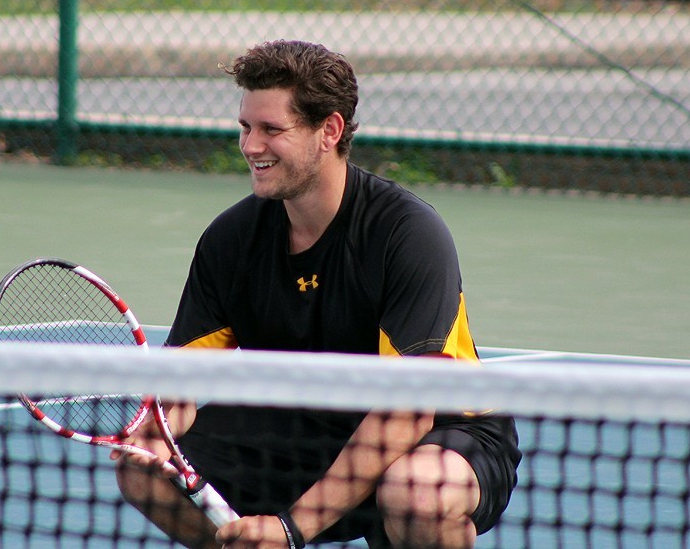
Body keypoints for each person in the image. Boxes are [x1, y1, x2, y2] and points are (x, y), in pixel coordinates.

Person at [112, 40, 521, 548]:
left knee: (419, 493)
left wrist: (292, 527)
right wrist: (159, 430)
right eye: (245, 127)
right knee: (147, 476)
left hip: (436, 432)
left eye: (271, 130)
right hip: (299, 429)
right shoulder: (231, 239)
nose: (250, 145)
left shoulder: (406, 234)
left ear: (329, 130)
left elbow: (409, 408)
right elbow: (182, 379)